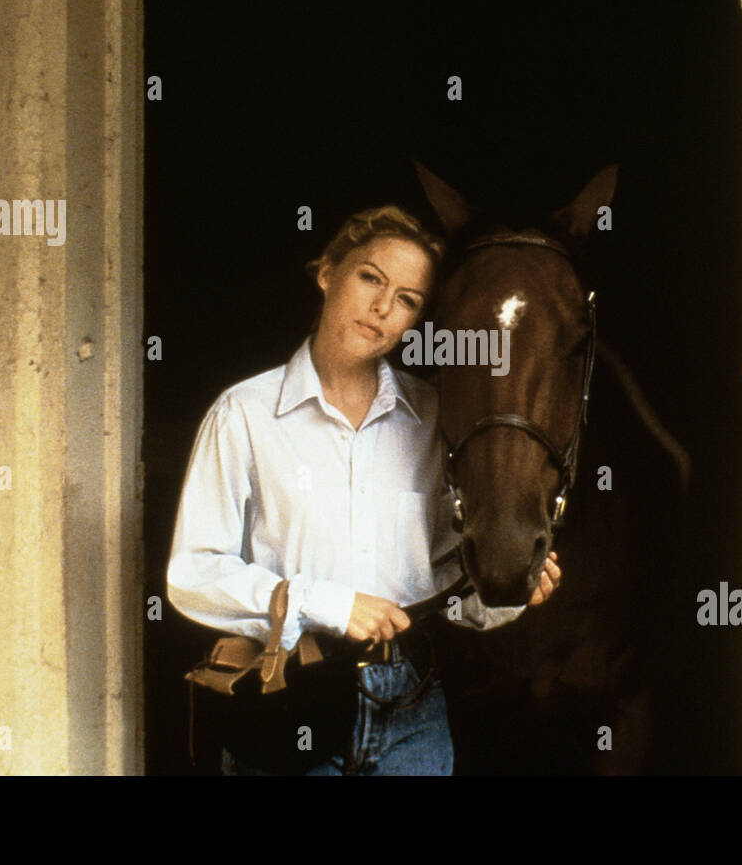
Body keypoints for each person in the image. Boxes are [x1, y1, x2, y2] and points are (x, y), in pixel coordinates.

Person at [166, 203, 562, 775]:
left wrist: (508, 592)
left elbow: (444, 586)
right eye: (370, 278)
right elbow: (193, 574)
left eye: (407, 299)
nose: (381, 308)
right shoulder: (244, 414)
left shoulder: (433, 419)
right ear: (328, 272)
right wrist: (328, 604)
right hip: (288, 697)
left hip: (412, 707)